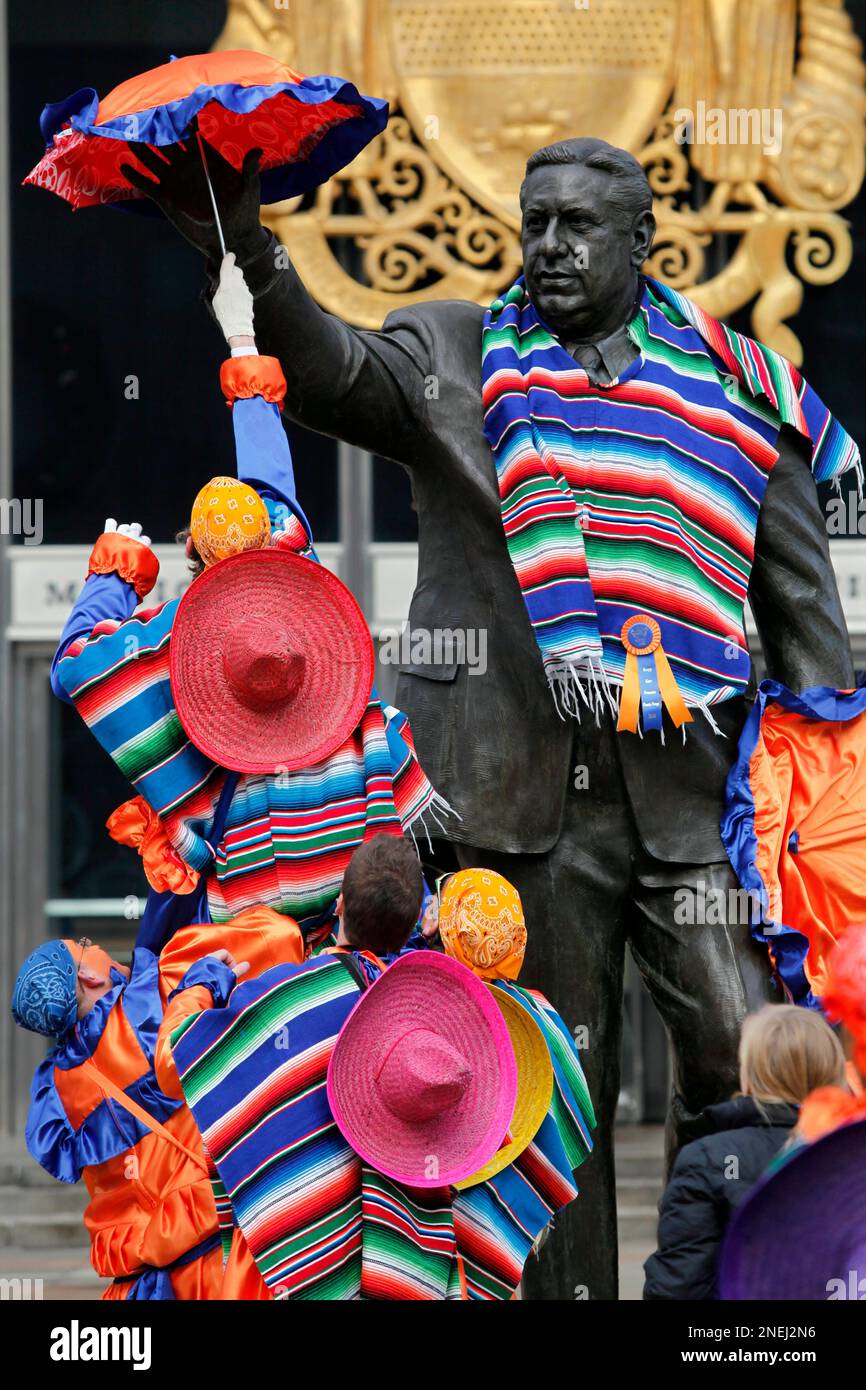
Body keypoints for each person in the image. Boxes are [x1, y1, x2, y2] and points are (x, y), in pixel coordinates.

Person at [121, 131, 860, 1298]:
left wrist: (834, 811)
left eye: (576, 227)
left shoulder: (734, 387)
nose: (549, 248)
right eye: (536, 223)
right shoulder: (457, 352)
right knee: (547, 1090)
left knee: (742, 1060)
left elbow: (803, 610)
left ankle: (721, 1301)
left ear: (640, 240)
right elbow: (326, 369)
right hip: (516, 800)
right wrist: (248, 247)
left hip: (691, 805)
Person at [160, 832, 519, 1299]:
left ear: (341, 903)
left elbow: (173, 1064)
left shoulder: (285, 999)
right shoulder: (430, 1026)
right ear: (415, 919)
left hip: (283, 1259)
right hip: (397, 1259)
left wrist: (201, 984)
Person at [11, 935, 223, 1299]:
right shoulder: (154, 1000)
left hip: (135, 1283)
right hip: (215, 1261)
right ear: (89, 975)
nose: (93, 943)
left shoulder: (57, 1094)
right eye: (84, 943)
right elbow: (277, 935)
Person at [643, 1004, 847, 1300]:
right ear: (832, 1071)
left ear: (750, 1076)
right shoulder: (851, 1155)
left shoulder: (706, 1159)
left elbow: (678, 1288)